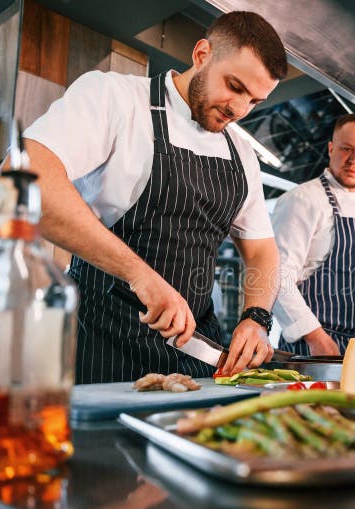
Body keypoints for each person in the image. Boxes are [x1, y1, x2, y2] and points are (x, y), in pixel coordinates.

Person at [18, 11, 287, 382]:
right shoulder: (115, 98)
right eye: (235, 86)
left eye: (254, 101)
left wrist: (257, 317)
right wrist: (138, 273)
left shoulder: (241, 154)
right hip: (100, 345)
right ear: (202, 54)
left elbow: (262, 251)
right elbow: (24, 181)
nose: (239, 109)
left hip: (194, 356)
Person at [272, 113, 355, 356]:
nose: (354, 160)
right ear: (331, 148)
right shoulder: (302, 199)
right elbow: (277, 277)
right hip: (314, 347)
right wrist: (315, 337)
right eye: (347, 149)